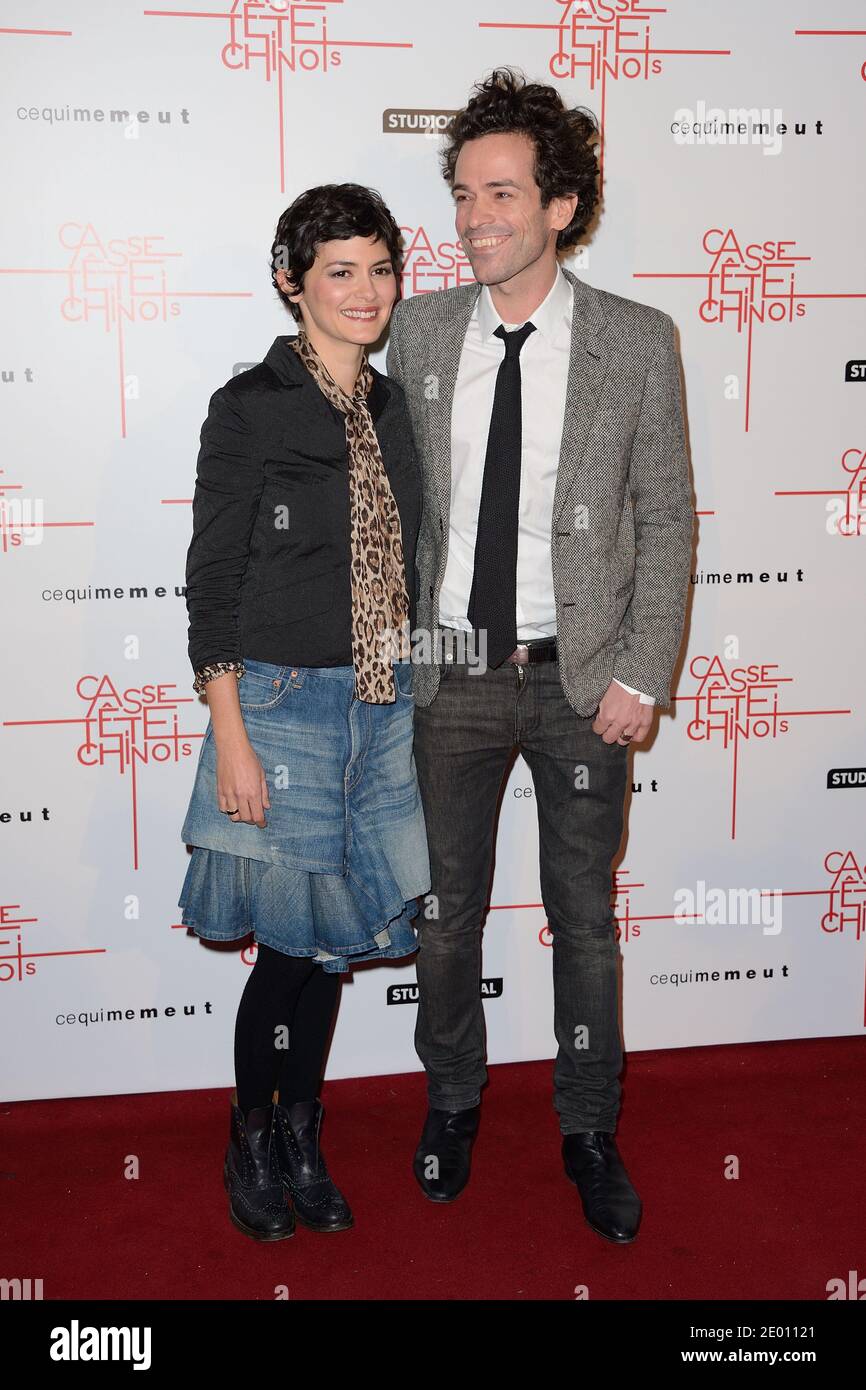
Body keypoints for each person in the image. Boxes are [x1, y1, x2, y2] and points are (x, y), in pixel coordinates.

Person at [386, 68, 693, 1243]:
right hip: (447, 673)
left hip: (580, 683)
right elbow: (391, 509)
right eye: (463, 194)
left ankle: (586, 1124)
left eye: (501, 193)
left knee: (585, 916)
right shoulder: (415, 328)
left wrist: (641, 670)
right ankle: (452, 1100)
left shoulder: (634, 340)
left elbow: (664, 515)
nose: (473, 218)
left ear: (560, 206)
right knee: (444, 915)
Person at [177, 184, 429, 1242]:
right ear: (292, 280)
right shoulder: (251, 404)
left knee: (329, 949)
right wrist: (229, 728)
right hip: (276, 705)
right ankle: (252, 1132)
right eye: (340, 270)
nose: (365, 291)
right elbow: (213, 574)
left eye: (379, 268)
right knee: (286, 946)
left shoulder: (392, 403)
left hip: (379, 700)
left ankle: (302, 1133)